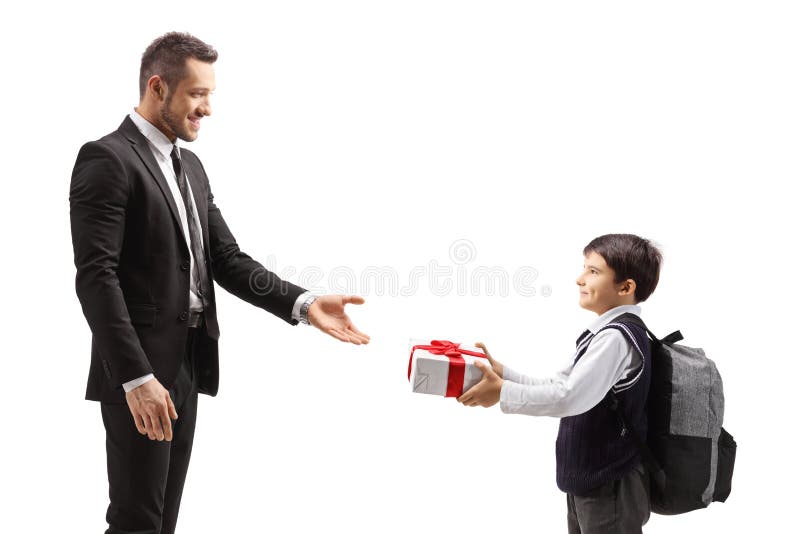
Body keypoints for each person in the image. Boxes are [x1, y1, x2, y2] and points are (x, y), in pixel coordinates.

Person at [69, 32, 370, 534]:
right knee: (135, 521)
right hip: (139, 372)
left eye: (210, 95)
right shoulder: (107, 159)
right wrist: (136, 379)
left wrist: (303, 302)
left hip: (186, 360)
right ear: (158, 87)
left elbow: (226, 260)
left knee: (162, 519)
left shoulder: (191, 167)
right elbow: (96, 278)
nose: (207, 108)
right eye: (197, 93)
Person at [457, 233, 663, 533]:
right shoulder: (605, 334)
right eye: (584, 268)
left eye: (593, 271)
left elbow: (568, 397)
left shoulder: (616, 338)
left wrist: (502, 393)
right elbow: (560, 383)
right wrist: (503, 374)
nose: (580, 279)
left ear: (625, 287)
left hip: (611, 485)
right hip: (593, 479)